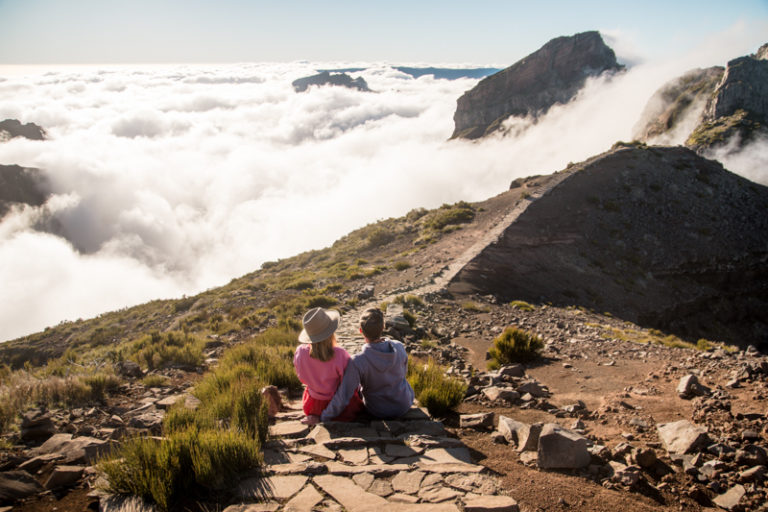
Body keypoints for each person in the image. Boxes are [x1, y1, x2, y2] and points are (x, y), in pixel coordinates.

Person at [320, 307, 414, 422]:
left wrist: (324, 416)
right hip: (403, 405)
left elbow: (344, 395)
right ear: (383, 327)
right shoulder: (399, 347)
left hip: (377, 410)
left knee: (357, 388)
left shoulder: (358, 361)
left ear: (360, 330)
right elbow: (403, 373)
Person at [293, 307, 363, 424]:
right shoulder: (340, 355)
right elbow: (346, 385)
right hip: (336, 406)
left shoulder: (300, 352)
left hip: (312, 405)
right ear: (331, 332)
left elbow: (302, 378)